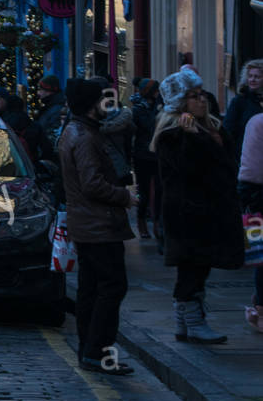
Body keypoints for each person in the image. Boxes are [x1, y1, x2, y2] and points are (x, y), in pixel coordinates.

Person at [152, 68, 244, 344]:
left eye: (201, 95)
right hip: (188, 215)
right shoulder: (173, 135)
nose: (201, 100)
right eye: (193, 97)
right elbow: (187, 170)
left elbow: (228, 166)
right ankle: (194, 323)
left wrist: (210, 139)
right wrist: (197, 138)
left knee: (197, 269)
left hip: (210, 212)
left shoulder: (213, 128)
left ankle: (185, 322)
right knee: (192, 268)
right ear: (180, 104)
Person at [58, 77, 137, 376]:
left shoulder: (74, 130)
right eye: (103, 100)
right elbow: (92, 184)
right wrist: (125, 197)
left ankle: (89, 352)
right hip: (98, 224)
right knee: (112, 288)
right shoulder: (85, 136)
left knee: (92, 290)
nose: (108, 105)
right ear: (93, 105)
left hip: (87, 224)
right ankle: (99, 353)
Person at [235, 112, 263, 332]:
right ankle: (260, 308)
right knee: (260, 256)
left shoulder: (255, 120)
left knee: (260, 256)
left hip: (251, 196)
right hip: (256, 196)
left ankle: (259, 306)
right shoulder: (258, 122)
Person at [130, 78, 162, 240]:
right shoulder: (138, 109)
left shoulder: (159, 105)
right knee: (143, 191)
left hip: (157, 154)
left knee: (159, 190)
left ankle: (157, 223)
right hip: (142, 154)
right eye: (155, 90)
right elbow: (149, 125)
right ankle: (141, 220)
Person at [223, 59, 263, 160]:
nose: (252, 80)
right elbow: (228, 130)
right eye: (250, 76)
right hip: (245, 154)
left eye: (257, 77)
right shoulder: (239, 101)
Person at [34, 75, 68, 160]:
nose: (38, 93)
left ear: (49, 90)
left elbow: (52, 134)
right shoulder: (50, 107)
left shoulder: (56, 109)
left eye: (40, 89)